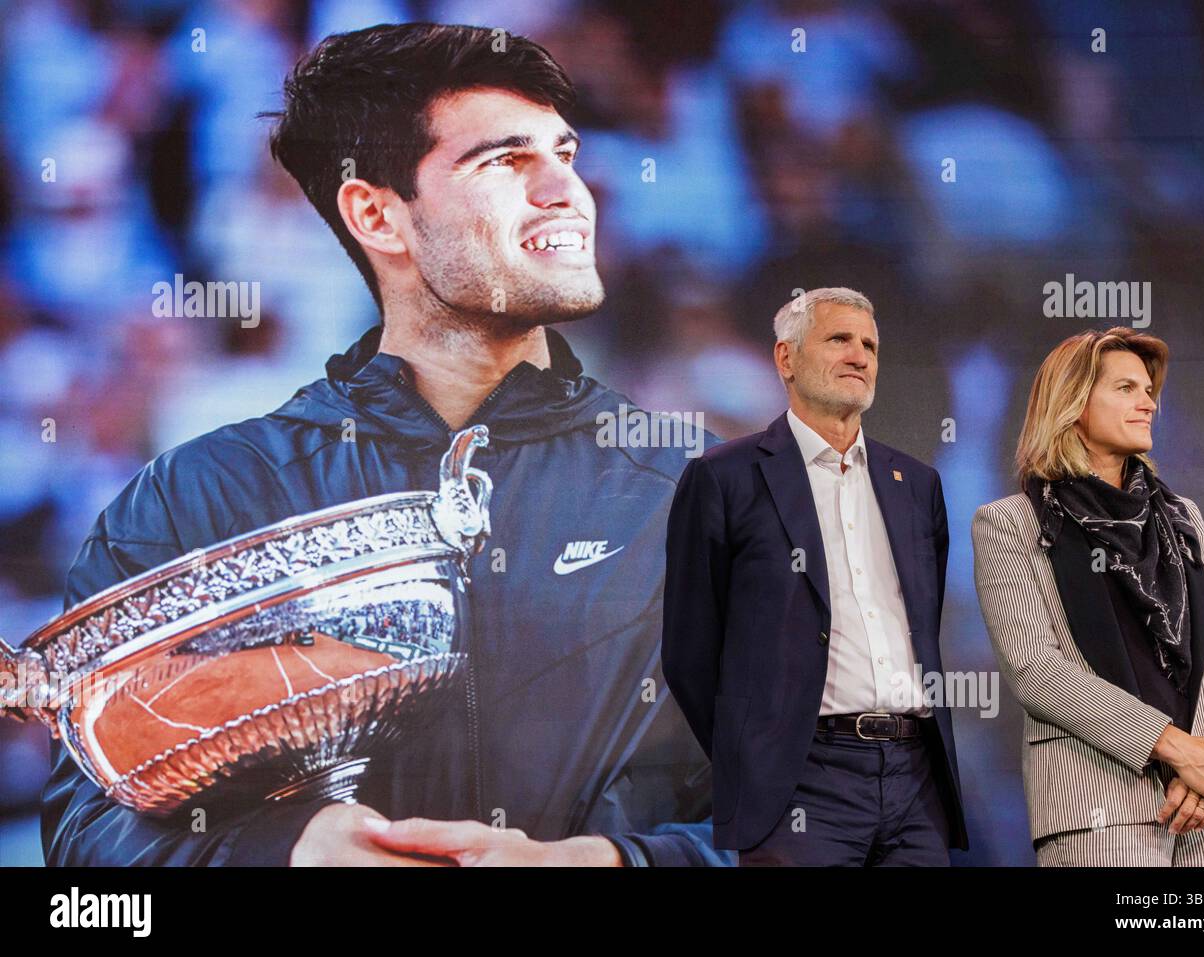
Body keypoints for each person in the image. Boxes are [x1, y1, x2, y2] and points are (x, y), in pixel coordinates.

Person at [42, 22, 728, 867]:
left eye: (567, 152)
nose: (569, 190)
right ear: (377, 214)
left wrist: (608, 864)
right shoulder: (199, 496)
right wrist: (286, 853)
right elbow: (86, 852)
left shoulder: (709, 493)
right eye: (505, 161)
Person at [662, 287, 967, 865]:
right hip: (800, 783)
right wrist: (758, 755)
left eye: (870, 346)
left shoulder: (917, 483)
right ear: (785, 359)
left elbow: (926, 631)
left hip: (915, 782)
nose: (860, 356)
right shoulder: (723, 476)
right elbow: (688, 652)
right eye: (839, 340)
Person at [972, 327, 1204, 866]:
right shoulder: (1011, 524)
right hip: (1101, 807)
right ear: (1073, 403)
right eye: (1126, 388)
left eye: (1149, 390)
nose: (1148, 402)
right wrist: (1177, 750)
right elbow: (1038, 673)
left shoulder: (1184, 518)